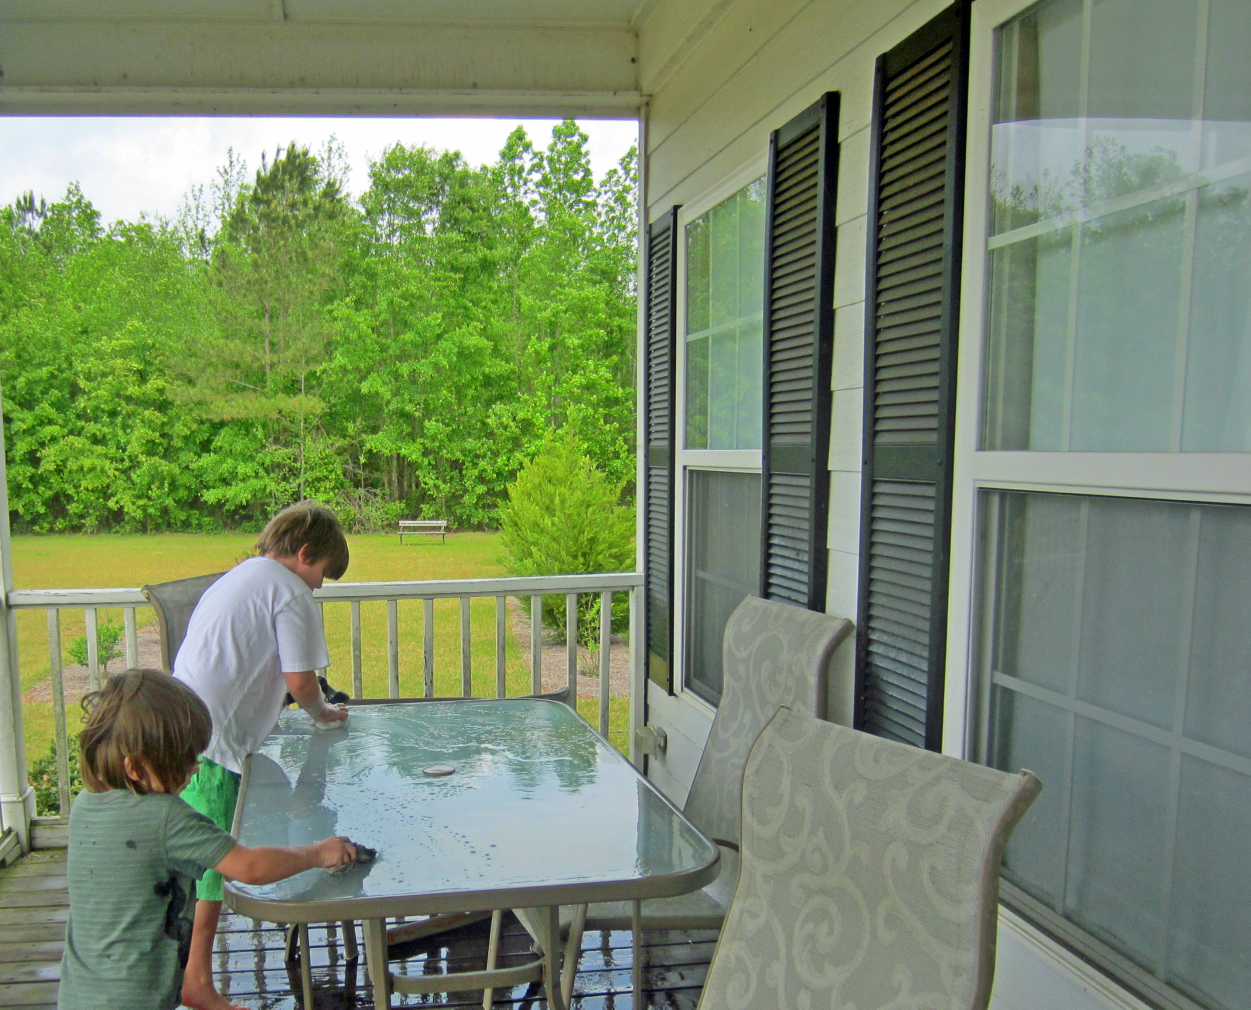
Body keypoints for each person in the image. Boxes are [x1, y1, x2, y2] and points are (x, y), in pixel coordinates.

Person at [58, 669, 356, 1010]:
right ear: (135, 768)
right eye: (182, 760)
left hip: (78, 995)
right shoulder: (164, 816)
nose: (194, 767)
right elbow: (250, 867)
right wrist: (317, 853)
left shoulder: (85, 805)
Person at [173, 500, 351, 1010]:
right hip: (213, 745)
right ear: (305, 553)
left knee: (201, 855)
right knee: (213, 863)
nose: (319, 586)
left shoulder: (244, 575)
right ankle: (196, 979)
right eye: (323, 574)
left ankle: (183, 967)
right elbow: (301, 681)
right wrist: (323, 714)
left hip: (183, 727)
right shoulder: (290, 591)